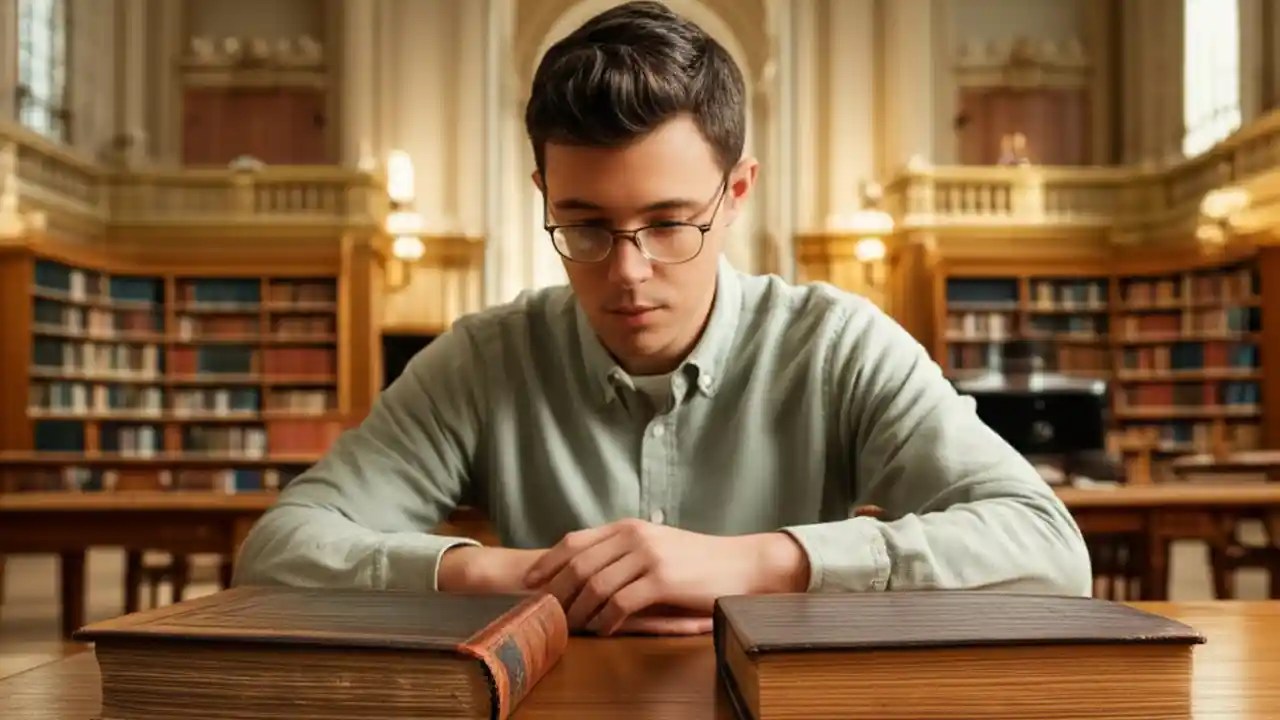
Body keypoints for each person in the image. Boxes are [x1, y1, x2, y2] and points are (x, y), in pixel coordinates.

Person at [233, 0, 1091, 636]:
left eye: (671, 223)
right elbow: (277, 553)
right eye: (584, 226)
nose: (628, 271)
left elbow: (1049, 551)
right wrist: (517, 577)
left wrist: (760, 563)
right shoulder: (484, 358)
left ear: (737, 192)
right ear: (545, 197)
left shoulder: (838, 344)